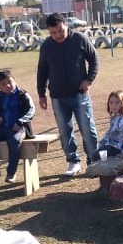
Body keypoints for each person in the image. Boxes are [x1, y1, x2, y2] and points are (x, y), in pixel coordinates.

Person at [36, 12, 99, 177]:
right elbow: (42, 71)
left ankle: (94, 161)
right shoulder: (46, 46)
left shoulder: (79, 39)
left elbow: (94, 59)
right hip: (57, 96)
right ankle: (73, 161)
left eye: (60, 31)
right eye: (53, 32)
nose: (57, 35)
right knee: (65, 131)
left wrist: (88, 80)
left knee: (87, 128)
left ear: (66, 25)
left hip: (80, 94)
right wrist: (41, 94)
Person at [0, 69, 36, 184]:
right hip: (1, 128)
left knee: (14, 141)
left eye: (10, 82)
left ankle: (11, 172)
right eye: (3, 84)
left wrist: (20, 122)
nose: (7, 85)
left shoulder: (22, 94)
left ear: (14, 81)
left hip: (18, 128)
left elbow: (31, 110)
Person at [97, 89, 123, 158]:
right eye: (111, 102)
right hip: (111, 146)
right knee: (95, 154)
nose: (113, 105)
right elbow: (109, 134)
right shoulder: (115, 117)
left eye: (117, 103)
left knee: (95, 156)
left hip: (119, 149)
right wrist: (101, 144)